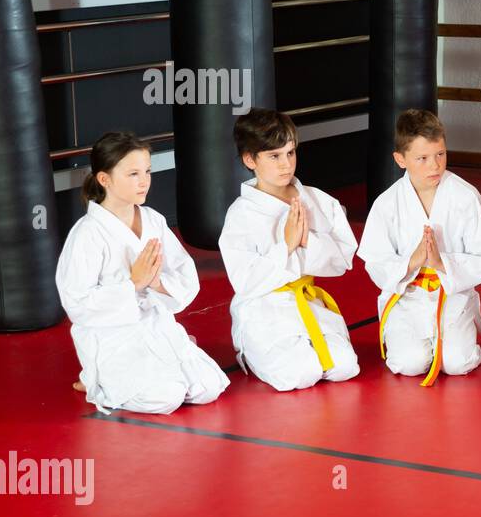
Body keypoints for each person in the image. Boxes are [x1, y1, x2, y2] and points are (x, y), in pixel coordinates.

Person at [56, 131, 229, 414]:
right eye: (133, 173)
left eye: (147, 171)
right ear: (104, 179)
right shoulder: (87, 233)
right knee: (166, 397)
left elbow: (184, 274)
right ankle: (98, 379)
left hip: (155, 324)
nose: (145, 181)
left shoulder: (152, 219)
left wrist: (158, 283)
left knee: (209, 387)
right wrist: (132, 285)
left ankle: (154, 365)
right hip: (113, 335)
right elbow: (76, 302)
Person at [218, 108, 360, 391]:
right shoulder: (242, 214)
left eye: (290, 153)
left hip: (307, 301)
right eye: (274, 156)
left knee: (345, 366)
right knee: (298, 375)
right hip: (263, 307)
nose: (286, 164)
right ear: (250, 159)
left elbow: (343, 259)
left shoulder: (317, 200)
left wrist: (308, 241)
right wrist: (286, 245)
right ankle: (250, 349)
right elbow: (245, 281)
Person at [357, 110, 481, 385]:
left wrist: (441, 263)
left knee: (457, 364)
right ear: (400, 159)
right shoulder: (387, 203)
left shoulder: (465, 196)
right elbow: (374, 261)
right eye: (422, 158)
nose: (434, 165)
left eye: (440, 154)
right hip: (408, 296)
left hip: (452, 294)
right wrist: (413, 261)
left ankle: (470, 346)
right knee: (409, 364)